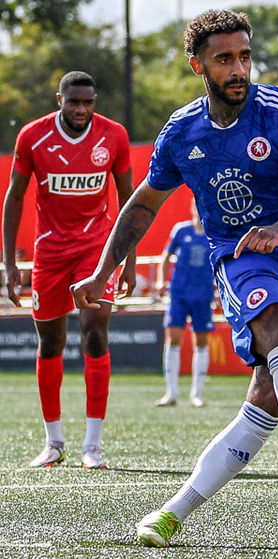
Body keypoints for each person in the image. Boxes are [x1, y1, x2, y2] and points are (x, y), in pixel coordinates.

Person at [69, 10, 278, 547]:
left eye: (245, 56)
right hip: (243, 255)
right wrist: (101, 271)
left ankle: (171, 512)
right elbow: (142, 205)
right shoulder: (181, 132)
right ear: (197, 64)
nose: (238, 68)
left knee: (268, 397)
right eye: (225, 58)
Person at [3, 71, 136, 470]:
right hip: (50, 253)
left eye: (88, 102)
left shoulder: (114, 136)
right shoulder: (32, 136)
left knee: (95, 332)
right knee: (51, 343)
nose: (81, 109)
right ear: (58, 99)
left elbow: (130, 199)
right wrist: (10, 264)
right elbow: (14, 196)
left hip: (98, 250)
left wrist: (127, 260)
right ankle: (54, 442)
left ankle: (92, 446)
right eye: (74, 102)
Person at [154, 199, 214, 408]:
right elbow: (165, 256)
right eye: (196, 206)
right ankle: (171, 393)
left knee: (201, 342)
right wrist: (161, 282)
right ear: (192, 208)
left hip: (203, 295)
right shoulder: (180, 230)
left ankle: (197, 394)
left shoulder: (213, 233)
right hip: (179, 294)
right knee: (173, 339)